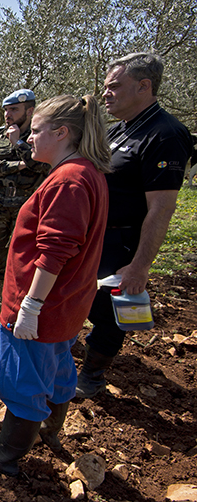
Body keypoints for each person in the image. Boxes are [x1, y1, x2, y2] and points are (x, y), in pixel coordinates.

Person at [0, 94, 111, 476]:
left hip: (42, 306)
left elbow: (54, 251)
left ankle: (7, 453)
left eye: (38, 129)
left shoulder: (68, 181)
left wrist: (29, 307)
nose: (29, 137)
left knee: (24, 376)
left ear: (61, 133)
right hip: (66, 305)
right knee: (59, 367)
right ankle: (51, 429)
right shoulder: (85, 172)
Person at [76, 53, 194, 399]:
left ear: (145, 87)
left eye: (114, 86)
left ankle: (94, 373)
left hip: (123, 242)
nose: (106, 93)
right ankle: (63, 344)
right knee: (81, 295)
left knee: (116, 308)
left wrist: (140, 265)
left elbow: (162, 206)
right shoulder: (118, 130)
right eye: (105, 86)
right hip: (95, 236)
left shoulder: (166, 134)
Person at [0, 89, 51, 326]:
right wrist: (20, 164)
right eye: (6, 110)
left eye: (14, 110)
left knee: (26, 256)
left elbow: (40, 164)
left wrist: (19, 143)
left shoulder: (39, 136)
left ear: (29, 111)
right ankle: (1, 297)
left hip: (28, 207)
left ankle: (23, 301)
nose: (8, 115)